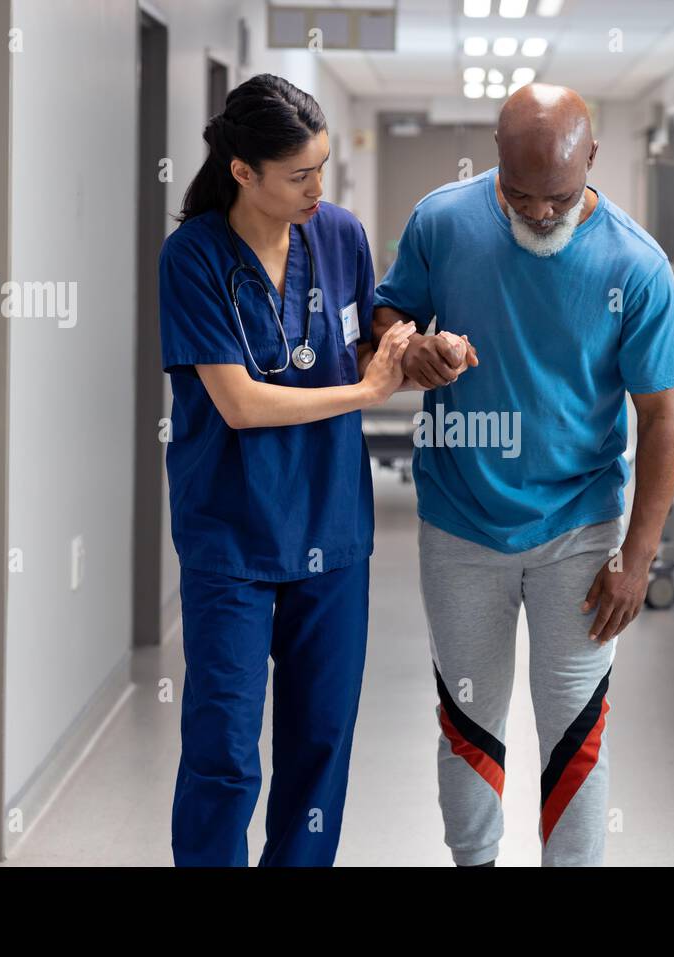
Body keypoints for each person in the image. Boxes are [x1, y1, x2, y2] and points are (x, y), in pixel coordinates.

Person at [373, 83, 674, 867]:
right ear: (495, 158)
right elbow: (386, 318)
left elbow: (663, 419)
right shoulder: (442, 222)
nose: (539, 214)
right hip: (459, 519)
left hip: (581, 533)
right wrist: (411, 346)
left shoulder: (636, 265)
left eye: (556, 195)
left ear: (592, 158)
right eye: (519, 194)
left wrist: (638, 556)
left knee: (575, 731)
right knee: (467, 720)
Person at [158, 74, 413, 866]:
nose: (317, 189)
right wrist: (368, 392)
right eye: (299, 174)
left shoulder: (338, 235)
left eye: (324, 168)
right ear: (243, 171)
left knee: (319, 744)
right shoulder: (193, 257)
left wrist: (405, 353)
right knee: (225, 751)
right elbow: (238, 403)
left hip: (331, 530)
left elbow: (360, 342)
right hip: (231, 534)